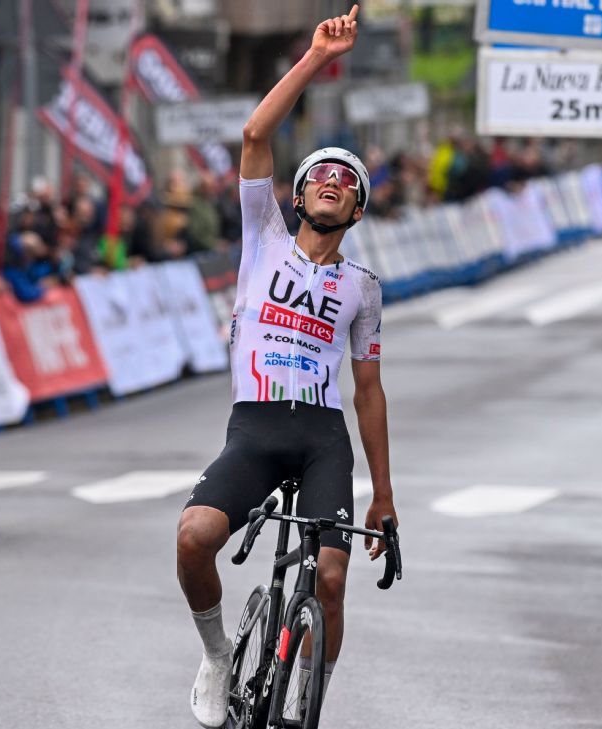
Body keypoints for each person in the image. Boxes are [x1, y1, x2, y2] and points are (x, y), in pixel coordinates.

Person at [174, 7, 396, 727]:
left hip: (323, 436)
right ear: (298, 196)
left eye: (348, 179)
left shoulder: (362, 286)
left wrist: (384, 496)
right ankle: (215, 655)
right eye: (320, 174)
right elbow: (254, 134)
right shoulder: (263, 239)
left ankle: (309, 703)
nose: (333, 180)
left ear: (357, 208)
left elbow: (369, 390)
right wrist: (315, 57)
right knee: (193, 537)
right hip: (256, 428)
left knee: (331, 577)